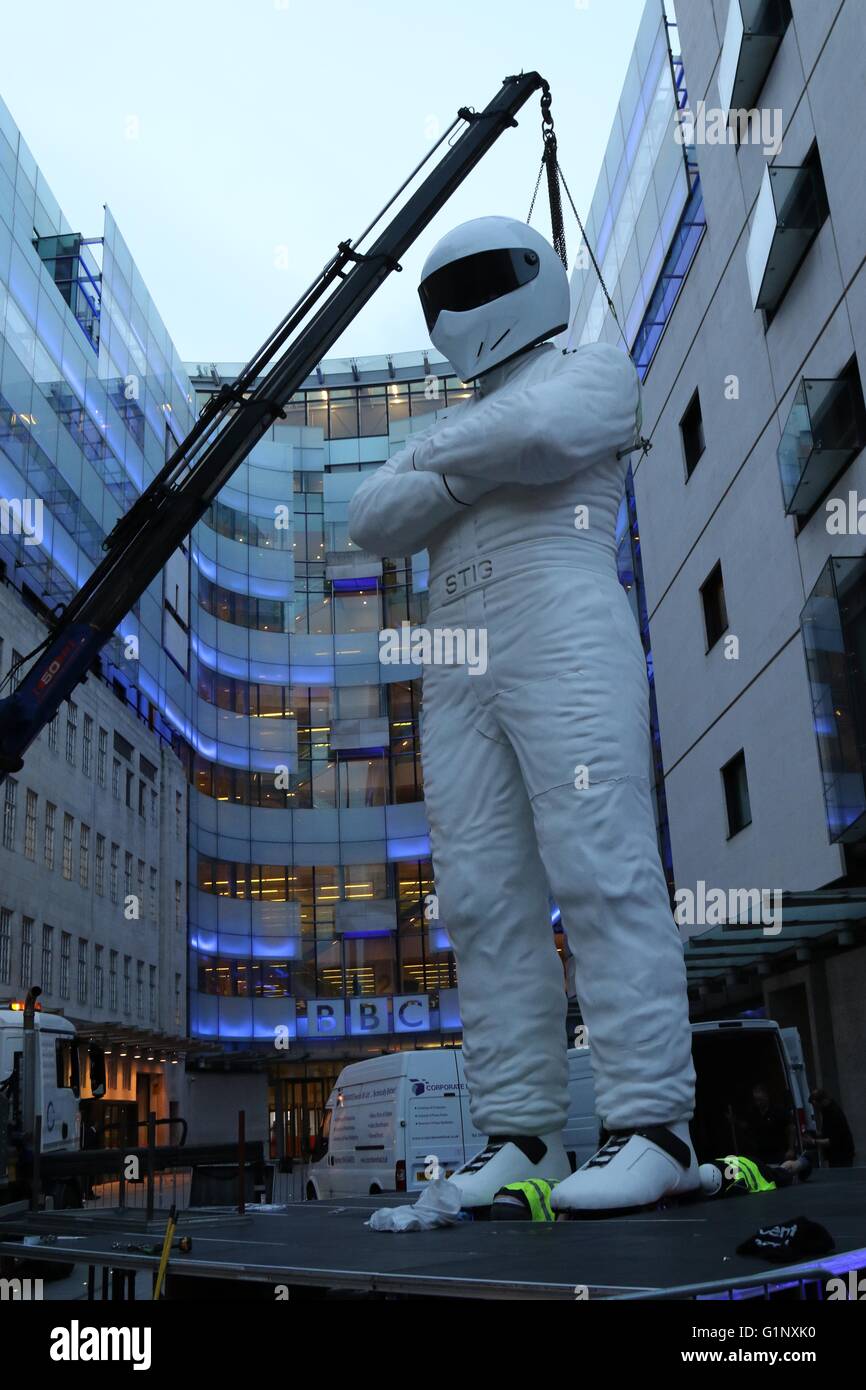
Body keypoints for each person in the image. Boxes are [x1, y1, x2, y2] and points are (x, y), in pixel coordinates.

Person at [348, 215, 697, 1214]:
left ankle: (651, 1124)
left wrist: (438, 470)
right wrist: (477, 459)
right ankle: (522, 1132)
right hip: (456, 661)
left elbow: (543, 435)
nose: (461, 307)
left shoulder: (593, 370)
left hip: (563, 623)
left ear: (535, 276)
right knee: (481, 897)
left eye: (478, 281)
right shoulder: (497, 412)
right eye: (444, 292)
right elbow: (373, 519)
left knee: (599, 859)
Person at [737, 1083, 797, 1165]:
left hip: (779, 1152)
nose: (758, 1103)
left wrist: (791, 1149)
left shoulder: (778, 1111)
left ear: (766, 1097)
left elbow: (791, 1129)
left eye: (760, 1099)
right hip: (762, 1154)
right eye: (756, 1100)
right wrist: (734, 1121)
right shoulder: (754, 1113)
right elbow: (747, 1126)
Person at [809, 1088, 855, 1167]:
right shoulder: (827, 1110)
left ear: (819, 1102)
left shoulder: (833, 1113)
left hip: (841, 1155)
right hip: (839, 1154)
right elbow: (829, 1132)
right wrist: (816, 1134)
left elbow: (832, 1141)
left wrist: (813, 1141)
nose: (815, 1108)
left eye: (815, 1105)